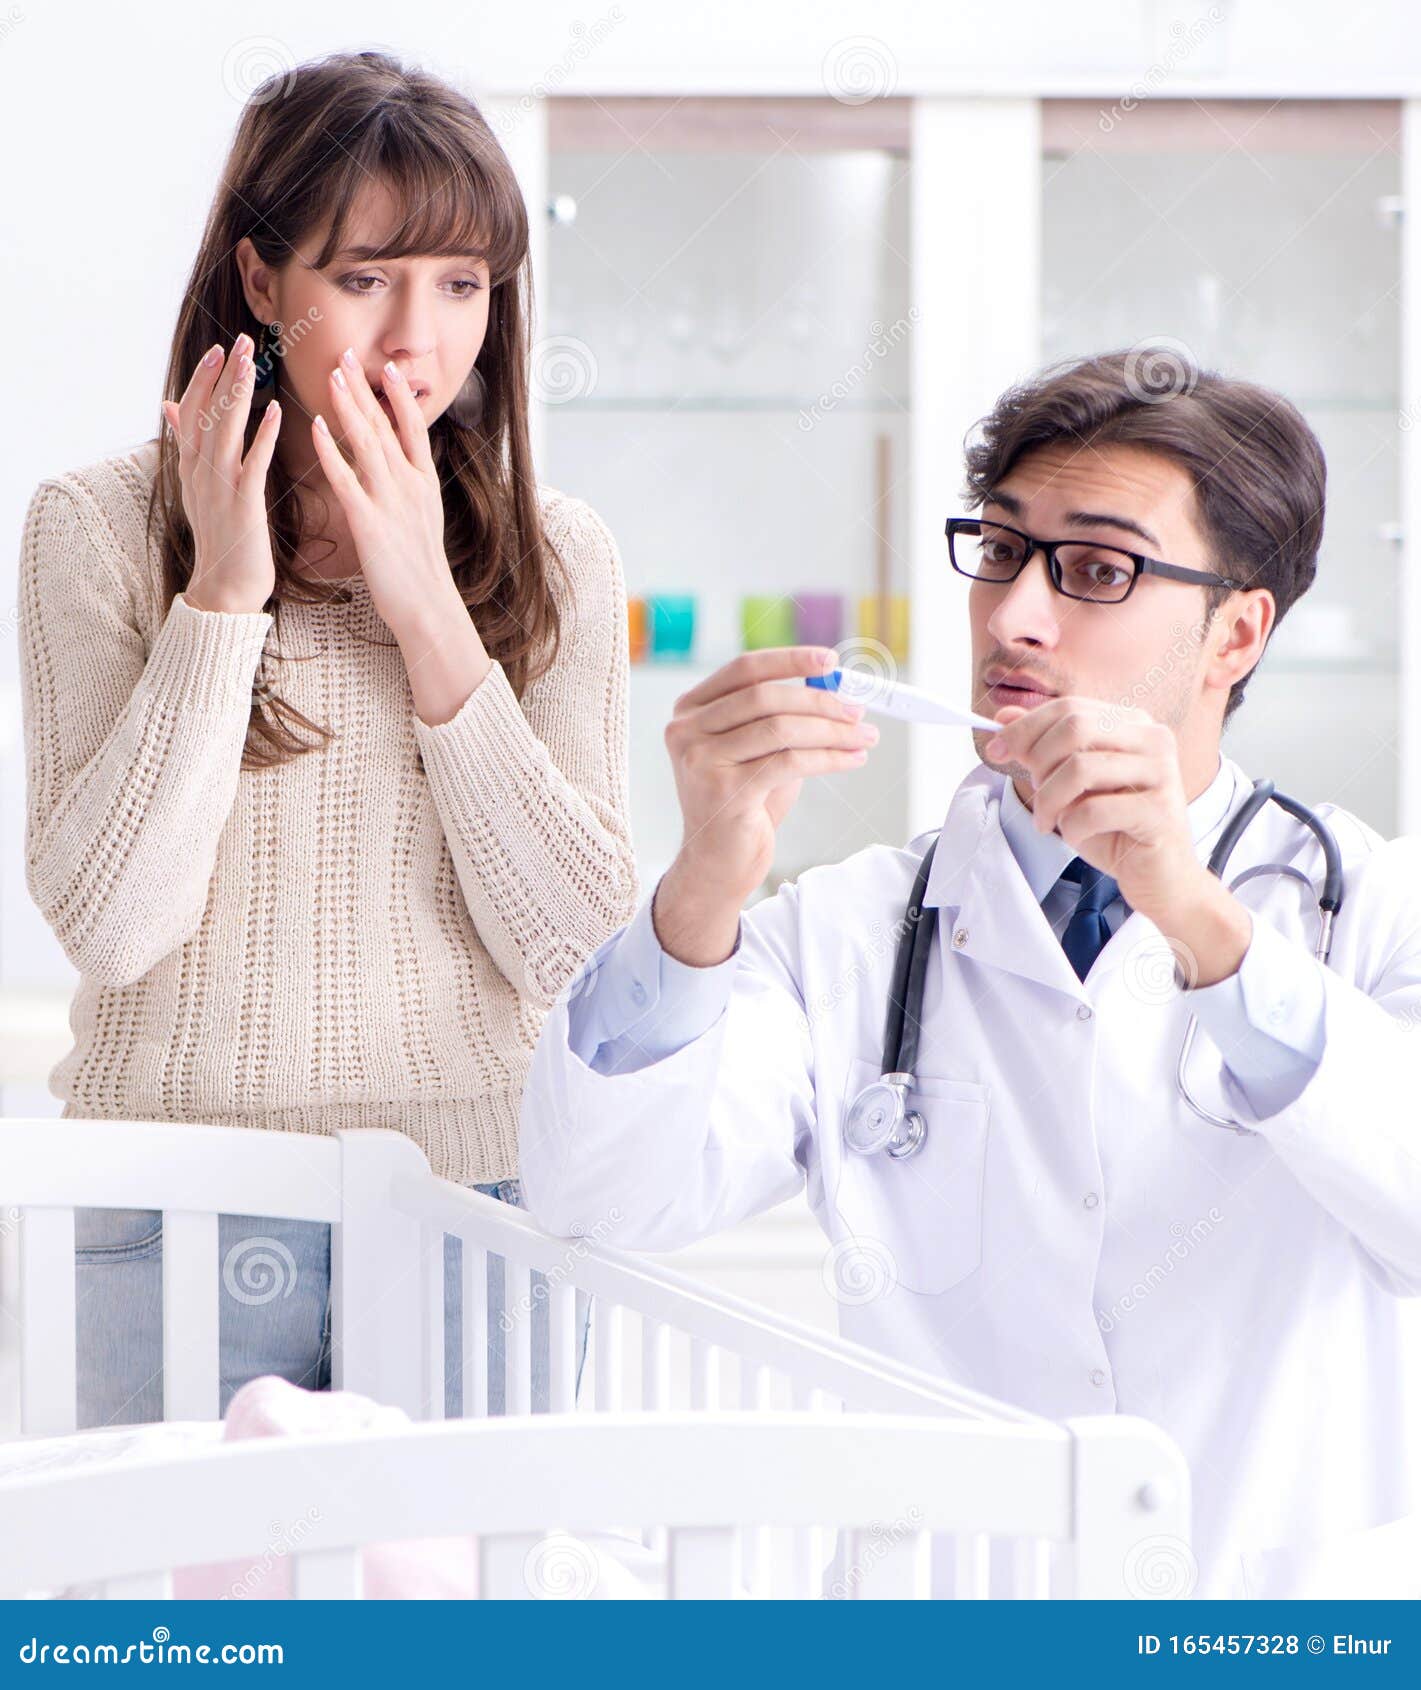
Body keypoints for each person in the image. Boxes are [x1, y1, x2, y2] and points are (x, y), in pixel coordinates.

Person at [519, 349, 1421, 1599]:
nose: (1012, 617)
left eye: (1095, 570)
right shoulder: (847, 931)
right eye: (997, 551)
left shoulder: (1368, 912)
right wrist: (703, 881)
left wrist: (1200, 924)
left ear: (1235, 631)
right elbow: (595, 1199)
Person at [18, 50, 636, 1423]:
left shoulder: (561, 558)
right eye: (364, 279)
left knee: (457, 1635)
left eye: (463, 284)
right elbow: (113, 925)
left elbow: (575, 946)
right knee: (178, 1626)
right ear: (259, 280)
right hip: (173, 1200)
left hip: (473, 1206)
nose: (421, 336)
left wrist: (424, 599)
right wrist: (224, 598)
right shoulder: (97, 530)